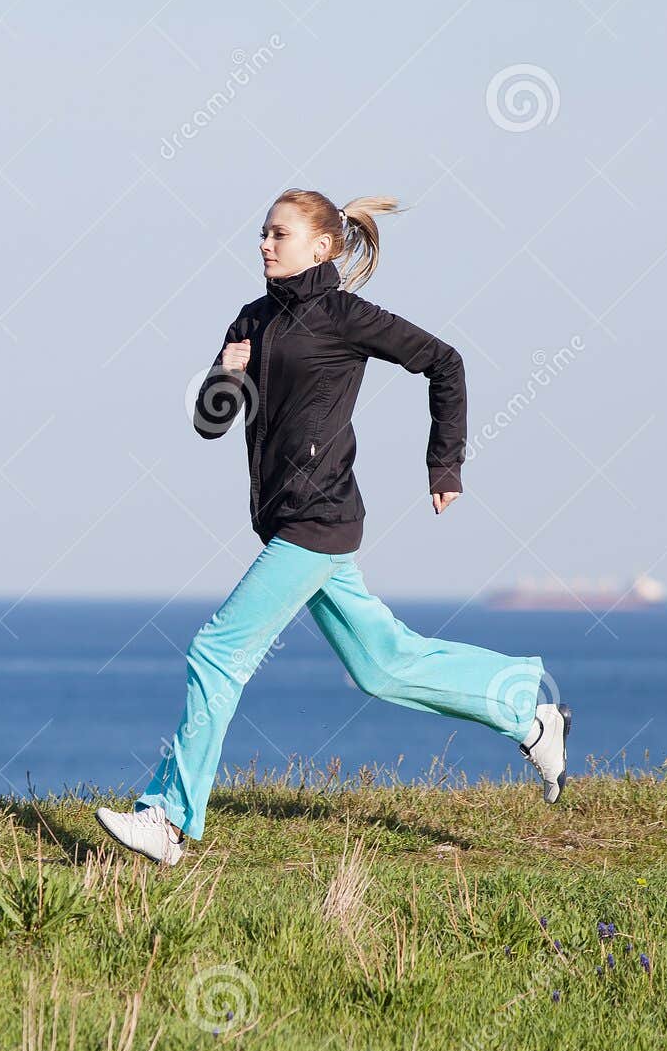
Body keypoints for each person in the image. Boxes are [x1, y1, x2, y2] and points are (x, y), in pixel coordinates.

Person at [96, 189, 570, 867]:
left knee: (217, 652)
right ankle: (528, 716)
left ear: (321, 247)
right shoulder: (252, 319)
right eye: (262, 231)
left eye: (279, 234)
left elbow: (445, 362)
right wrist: (222, 375)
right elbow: (211, 422)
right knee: (383, 664)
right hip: (289, 521)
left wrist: (445, 464)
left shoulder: (345, 316)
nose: (264, 243)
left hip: (318, 518)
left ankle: (167, 820)